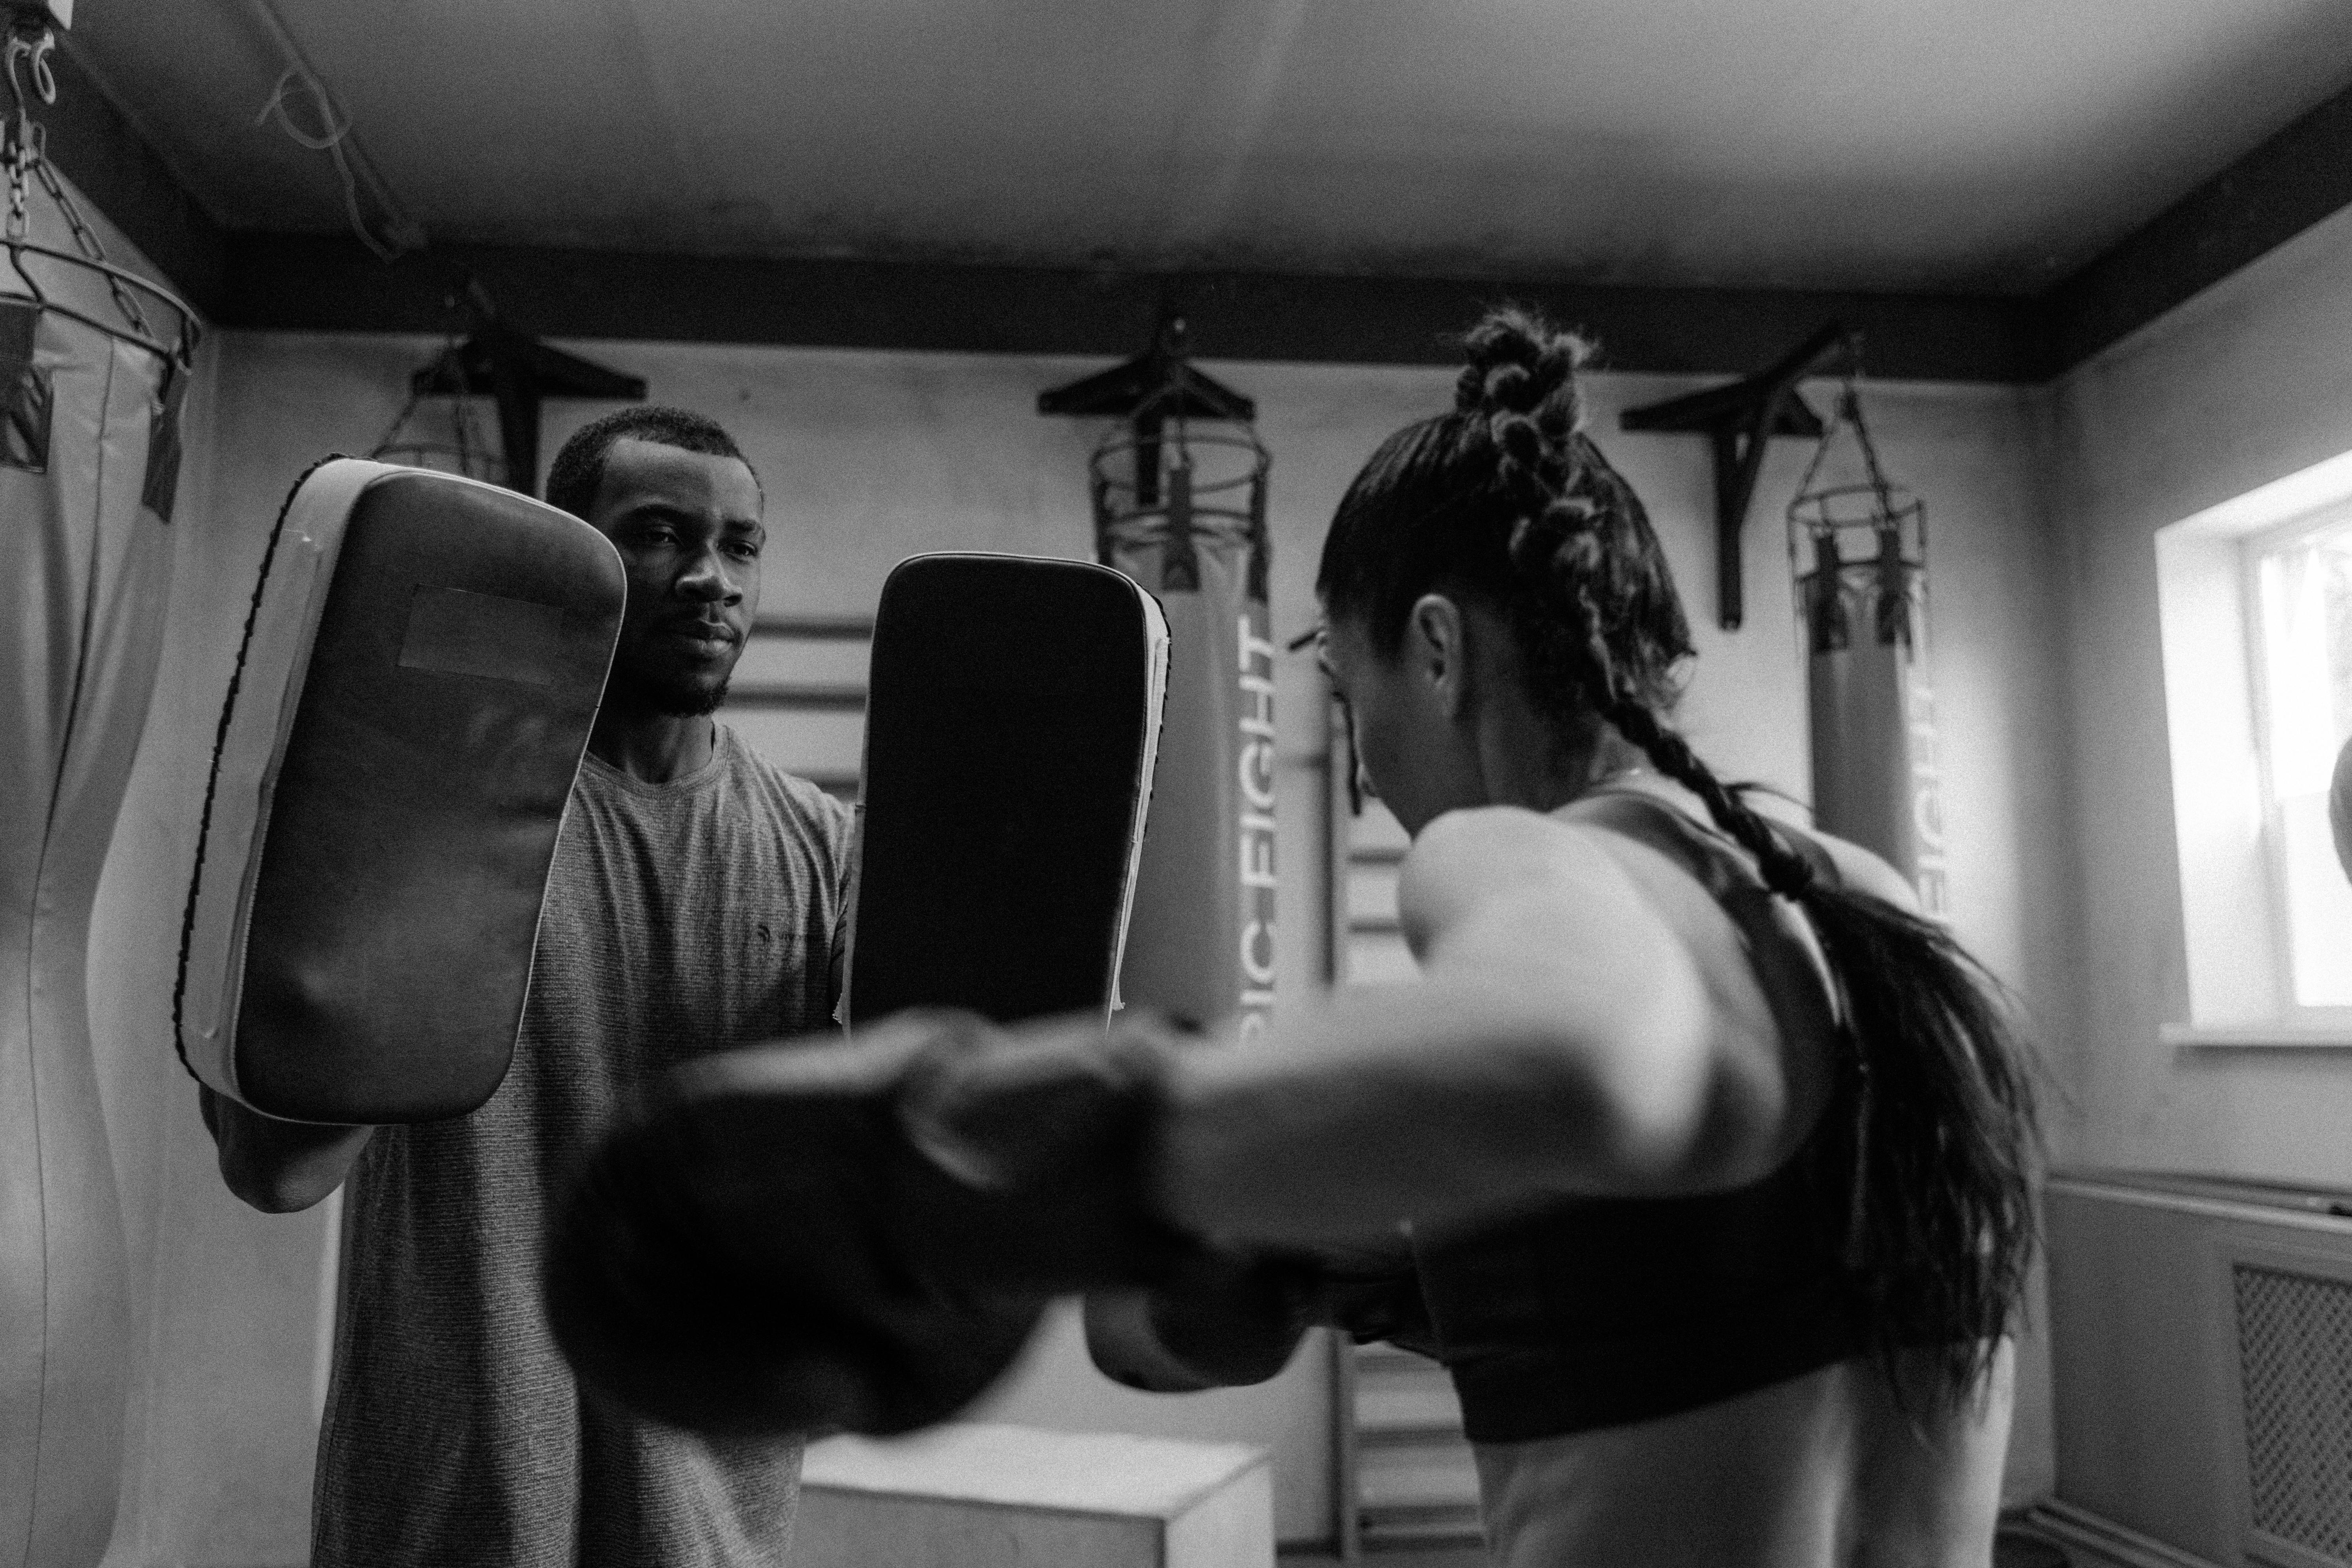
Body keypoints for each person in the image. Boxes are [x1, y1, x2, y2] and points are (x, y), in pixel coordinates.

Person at [544, 312, 2042, 1568]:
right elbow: (1717, 1287)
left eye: (1350, 691)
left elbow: (1570, 1061)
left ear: (1440, 651)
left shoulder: (1521, 852)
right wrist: (1390, 1272)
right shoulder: (1863, 905)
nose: (1373, 761)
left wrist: (1012, 1174)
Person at [201, 406, 854, 1568]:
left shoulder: (825, 852)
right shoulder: (436, 816)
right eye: (659, 534)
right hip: (447, 1508)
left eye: (741, 545)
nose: (712, 578)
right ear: (577, 555)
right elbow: (277, 1167)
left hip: (712, 1531)